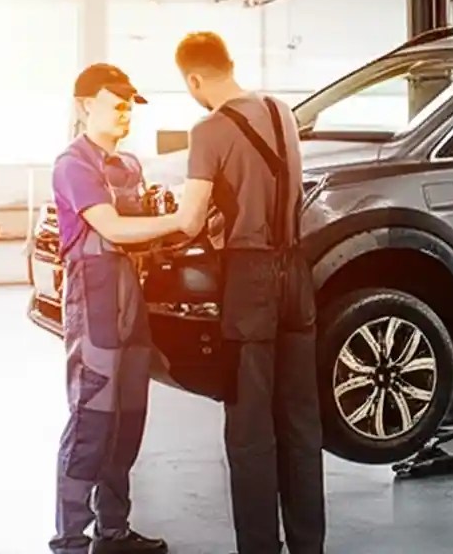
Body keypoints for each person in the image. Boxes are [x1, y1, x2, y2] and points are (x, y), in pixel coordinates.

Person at [166, 31, 327, 553]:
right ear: (229, 64)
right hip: (296, 274)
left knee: (251, 430)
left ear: (193, 78)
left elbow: (189, 220)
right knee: (301, 425)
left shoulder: (207, 129)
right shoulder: (282, 113)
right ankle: (309, 547)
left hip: (249, 283)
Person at [49, 63, 179, 554]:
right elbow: (115, 229)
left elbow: (144, 233)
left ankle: (114, 530)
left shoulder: (129, 166)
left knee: (128, 418)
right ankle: (69, 540)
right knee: (92, 419)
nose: (126, 111)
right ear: (85, 105)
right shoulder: (72, 164)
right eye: (116, 102)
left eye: (130, 104)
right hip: (94, 300)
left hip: (132, 301)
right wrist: (177, 218)